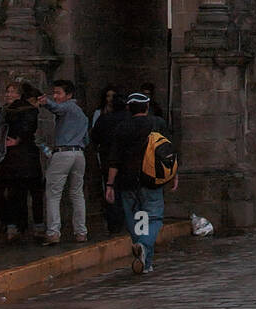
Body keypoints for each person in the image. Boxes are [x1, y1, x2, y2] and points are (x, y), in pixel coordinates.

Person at [105, 91, 177, 274]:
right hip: (152, 180)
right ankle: (143, 246)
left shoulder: (122, 127)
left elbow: (115, 158)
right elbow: (168, 152)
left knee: (136, 219)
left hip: (127, 181)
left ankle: (145, 262)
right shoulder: (157, 123)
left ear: (129, 108)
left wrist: (109, 184)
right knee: (153, 218)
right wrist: (174, 174)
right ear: (147, 106)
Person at [0, 83, 44, 242]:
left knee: (16, 193)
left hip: (16, 156)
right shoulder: (24, 110)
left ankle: (14, 227)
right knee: (30, 193)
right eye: (7, 91)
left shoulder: (10, 111)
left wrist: (13, 140)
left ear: (19, 94)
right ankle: (33, 227)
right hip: (22, 156)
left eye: (12, 91)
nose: (8, 94)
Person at [38, 79, 89, 245]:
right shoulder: (82, 114)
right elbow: (86, 139)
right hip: (79, 153)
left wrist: (46, 102)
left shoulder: (67, 106)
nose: (55, 96)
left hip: (63, 152)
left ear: (69, 95)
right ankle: (81, 232)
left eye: (58, 93)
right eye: (54, 93)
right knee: (76, 193)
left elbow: (57, 107)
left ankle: (53, 232)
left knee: (53, 194)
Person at [90, 92, 128, 235]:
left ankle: (114, 224)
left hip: (108, 160)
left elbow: (94, 137)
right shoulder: (129, 120)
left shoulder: (104, 119)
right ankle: (129, 222)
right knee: (129, 193)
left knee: (111, 191)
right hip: (128, 162)